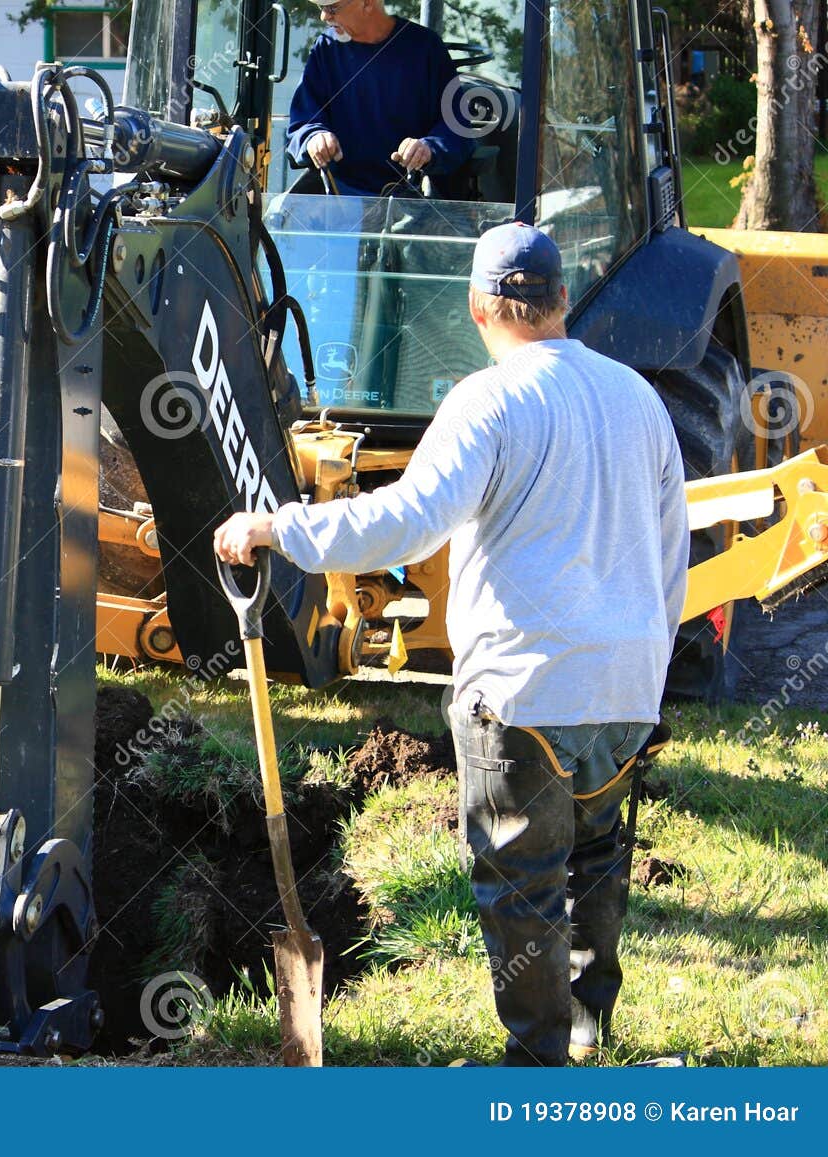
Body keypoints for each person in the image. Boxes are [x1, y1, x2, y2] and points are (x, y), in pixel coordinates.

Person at [214, 223, 689, 1066]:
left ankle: (536, 1064)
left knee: (522, 884)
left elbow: (404, 521)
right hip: (626, 683)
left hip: (523, 690)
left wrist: (276, 527)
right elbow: (669, 550)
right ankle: (586, 1027)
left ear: (477, 307)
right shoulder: (640, 399)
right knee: (596, 861)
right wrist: (645, 663)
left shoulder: (491, 400)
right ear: (563, 300)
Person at [287, 0, 475, 195]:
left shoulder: (426, 48)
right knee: (276, 217)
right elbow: (302, 122)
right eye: (321, 8)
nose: (324, 17)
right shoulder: (325, 48)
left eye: (332, 8)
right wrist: (313, 137)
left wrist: (429, 148)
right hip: (339, 198)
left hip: (413, 200)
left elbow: (457, 128)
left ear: (367, 3)